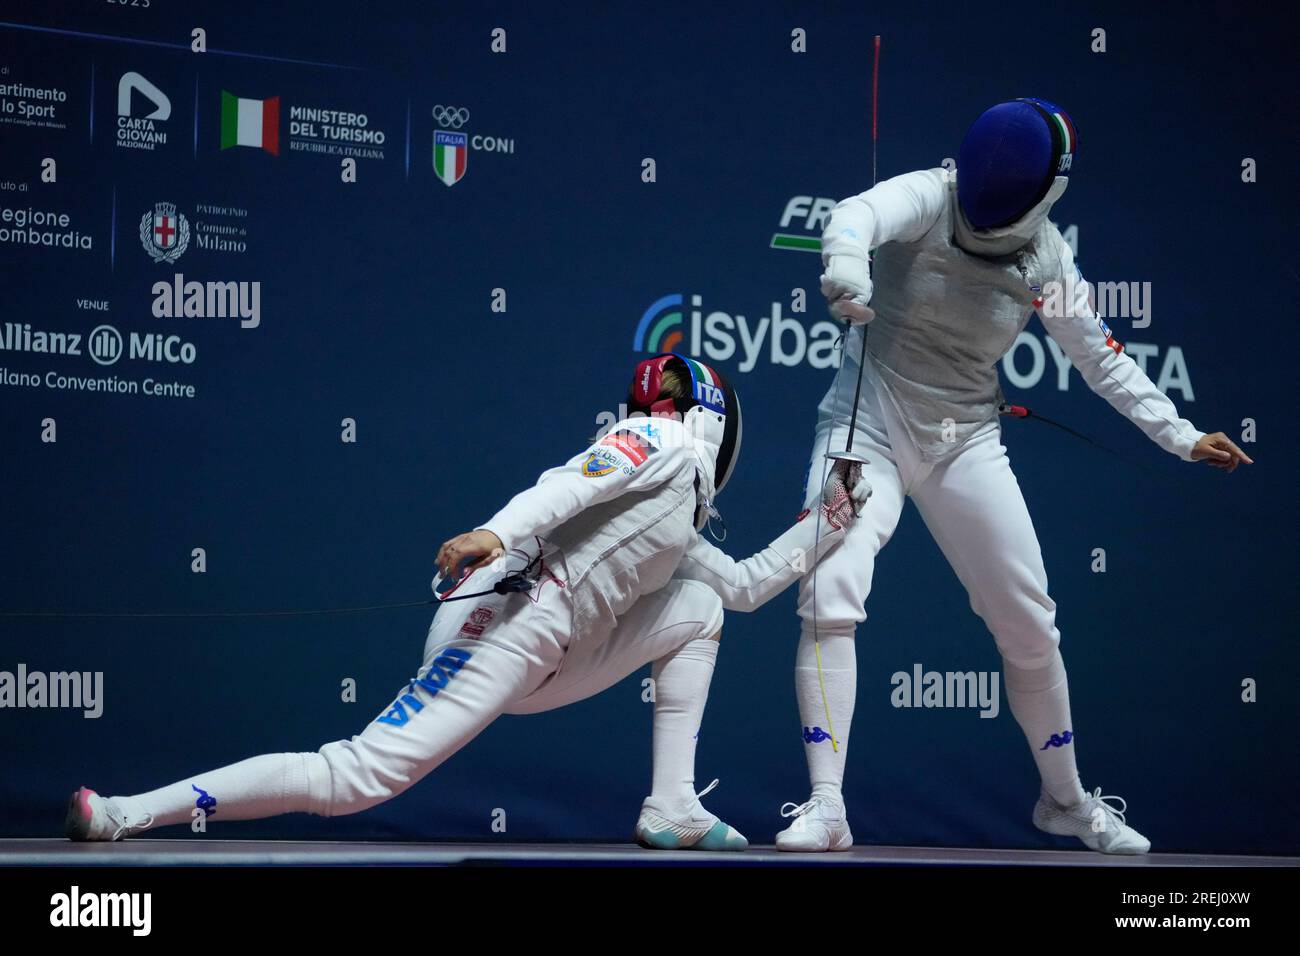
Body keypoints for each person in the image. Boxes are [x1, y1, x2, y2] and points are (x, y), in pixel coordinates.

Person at [65, 353, 870, 851]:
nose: (645, 407)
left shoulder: (672, 523)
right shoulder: (663, 446)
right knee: (354, 778)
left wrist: (828, 521)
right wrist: (495, 532)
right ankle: (126, 813)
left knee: (701, 607)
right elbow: (575, 478)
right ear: (715, 423)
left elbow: (750, 585)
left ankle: (671, 806)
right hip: (508, 623)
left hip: (554, 651)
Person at [777, 98, 1252, 854]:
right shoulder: (930, 196)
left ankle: (1064, 800)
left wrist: (1184, 435)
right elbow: (855, 216)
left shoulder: (1047, 261)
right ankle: (826, 805)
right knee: (831, 585)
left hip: (964, 440)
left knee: (1030, 622)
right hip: (865, 423)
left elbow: (1100, 358)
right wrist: (844, 269)